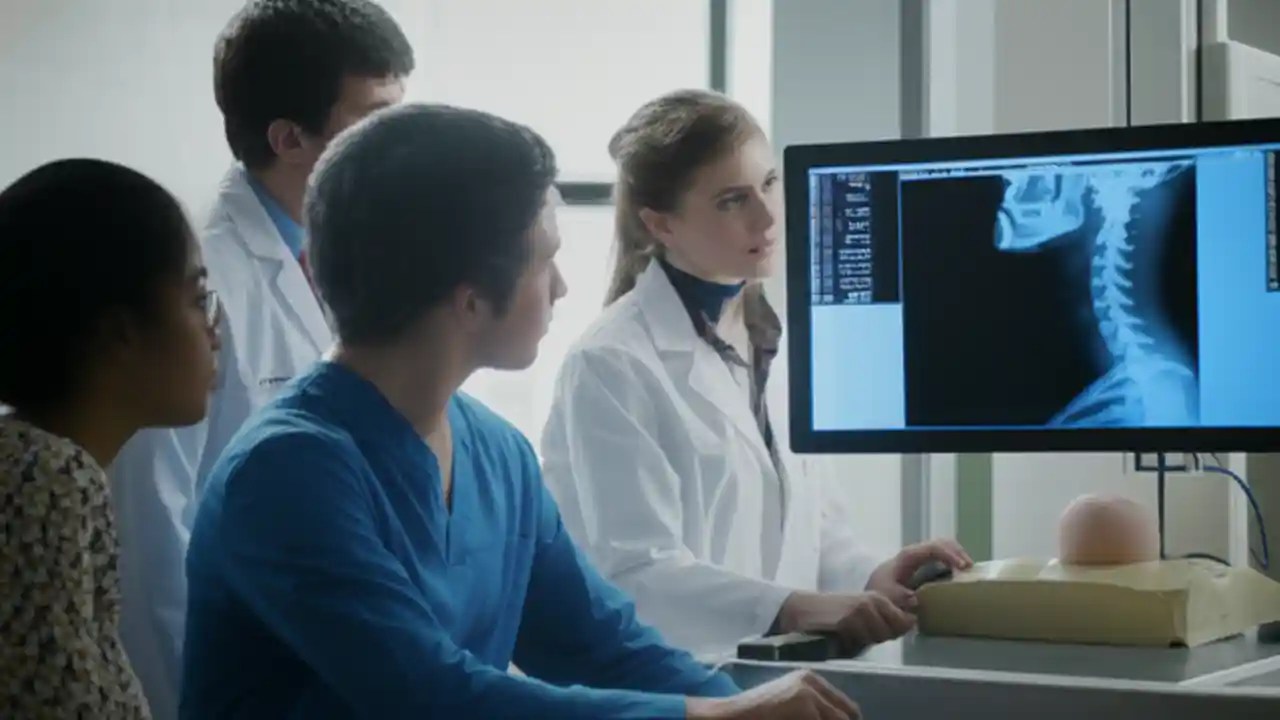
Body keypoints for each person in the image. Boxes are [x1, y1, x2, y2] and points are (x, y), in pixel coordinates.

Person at [180, 103, 861, 720]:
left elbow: (602, 645)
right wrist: (709, 719)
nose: (563, 286)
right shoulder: (285, 474)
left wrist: (751, 708)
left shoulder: (496, 453)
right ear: (470, 299)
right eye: (546, 261)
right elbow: (432, 697)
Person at [540, 89, 975, 658]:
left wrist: (875, 576)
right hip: (673, 688)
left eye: (769, 183)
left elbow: (813, 529)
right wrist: (792, 606)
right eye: (731, 200)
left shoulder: (774, 339)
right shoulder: (609, 365)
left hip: (774, 680)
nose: (768, 216)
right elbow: (636, 574)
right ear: (660, 223)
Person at [106, 2, 414, 716]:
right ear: (290, 138)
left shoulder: (364, 256)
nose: (404, 141)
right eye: (376, 117)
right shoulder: (198, 279)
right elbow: (154, 543)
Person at [0, 159, 221, 718]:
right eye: (198, 301)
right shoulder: (47, 478)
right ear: (119, 330)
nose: (214, 331)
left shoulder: (40, 465)